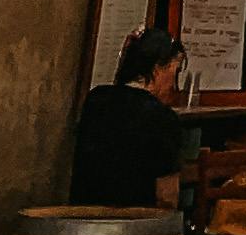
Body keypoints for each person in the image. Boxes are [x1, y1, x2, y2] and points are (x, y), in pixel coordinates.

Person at [70, 27, 189, 205]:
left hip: (84, 216)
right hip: (137, 220)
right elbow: (166, 197)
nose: (174, 84)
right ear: (157, 69)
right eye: (175, 71)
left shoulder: (96, 100)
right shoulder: (163, 119)